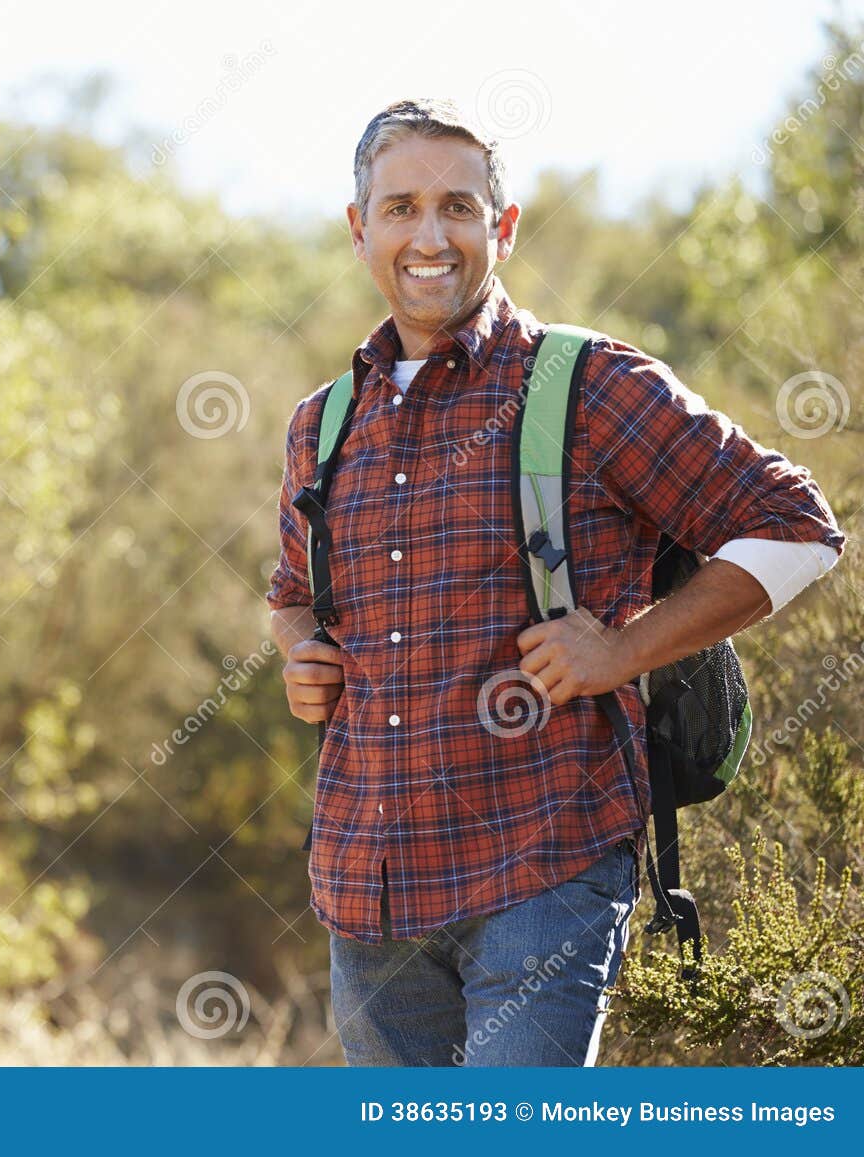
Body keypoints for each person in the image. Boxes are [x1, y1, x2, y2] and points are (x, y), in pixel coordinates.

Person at [265, 98, 847, 1066]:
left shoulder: (586, 383)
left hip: (542, 862)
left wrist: (622, 648)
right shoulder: (319, 424)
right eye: (400, 206)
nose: (428, 234)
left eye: (457, 206)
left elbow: (795, 526)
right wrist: (297, 650)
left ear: (502, 226)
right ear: (358, 226)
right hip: (364, 888)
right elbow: (291, 591)